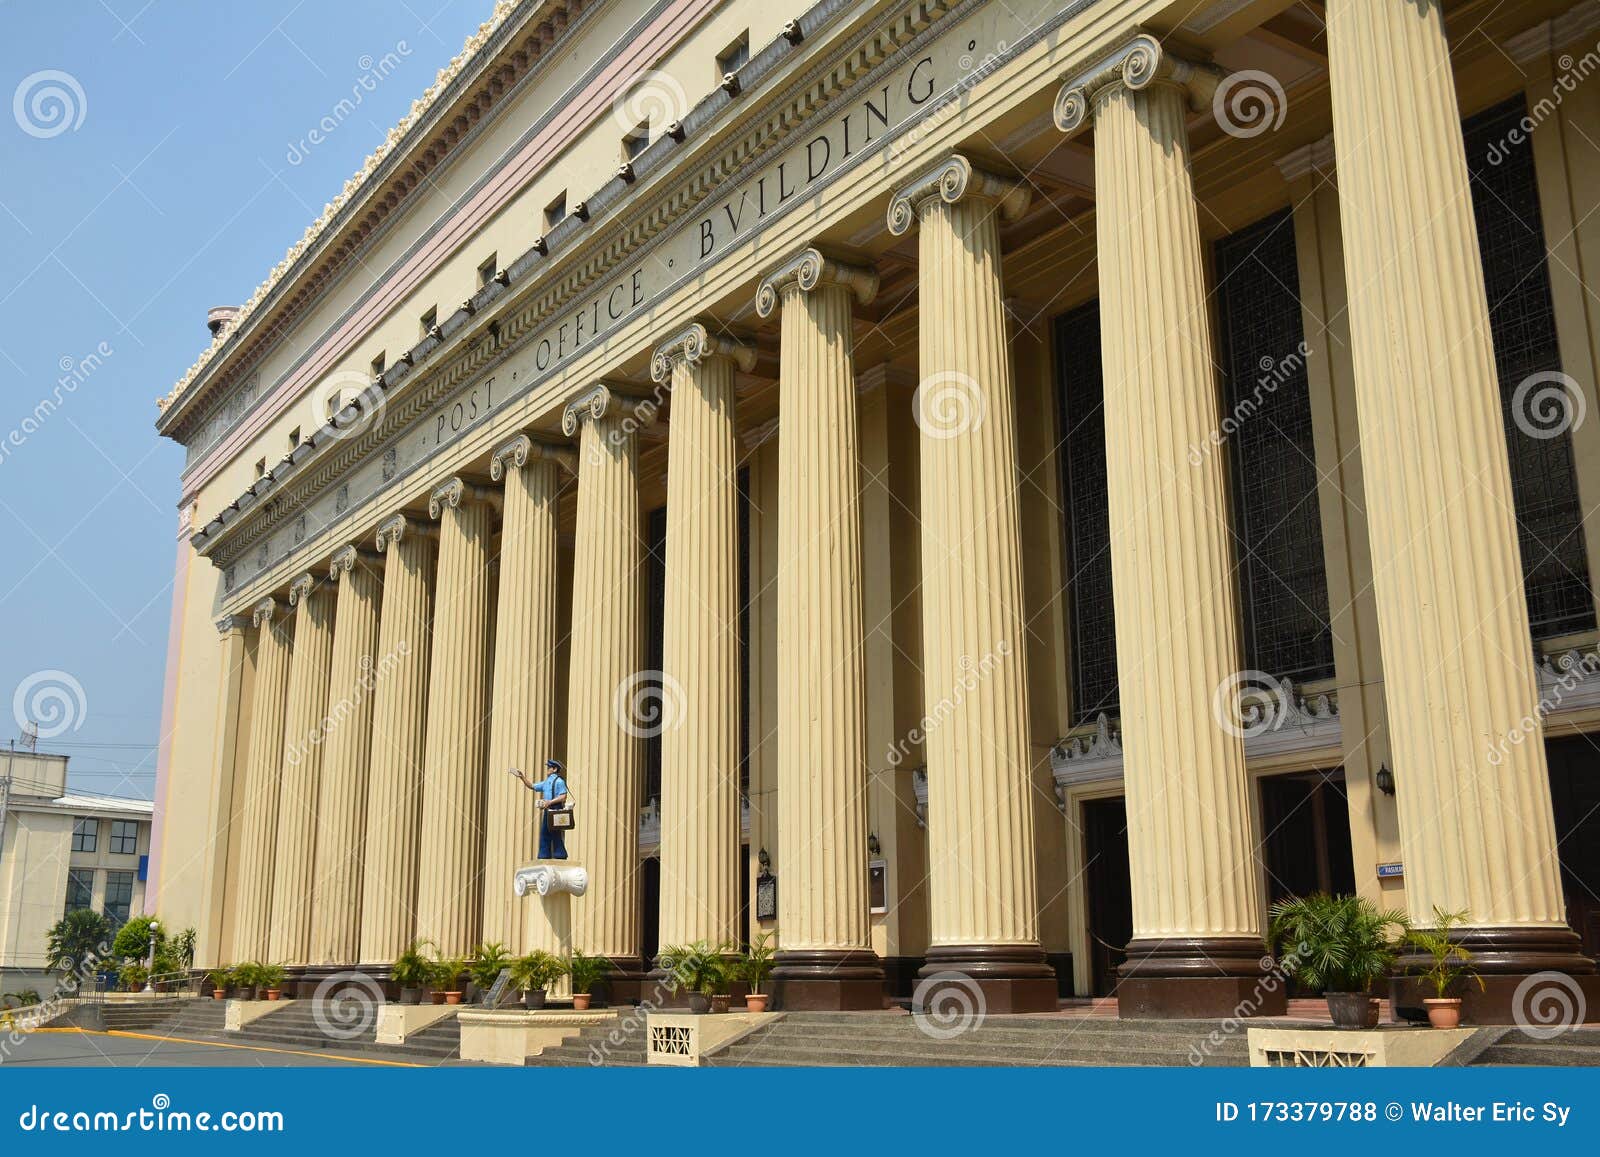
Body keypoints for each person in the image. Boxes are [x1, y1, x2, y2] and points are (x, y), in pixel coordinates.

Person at [511, 759, 569, 860]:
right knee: (545, 833)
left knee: (556, 833)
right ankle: (544, 855)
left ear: (555, 769)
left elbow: (563, 797)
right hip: (547, 809)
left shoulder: (559, 781)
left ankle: (560, 855)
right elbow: (532, 786)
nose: (547, 769)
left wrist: (549, 802)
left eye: (549, 767)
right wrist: (522, 777)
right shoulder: (547, 782)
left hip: (555, 808)